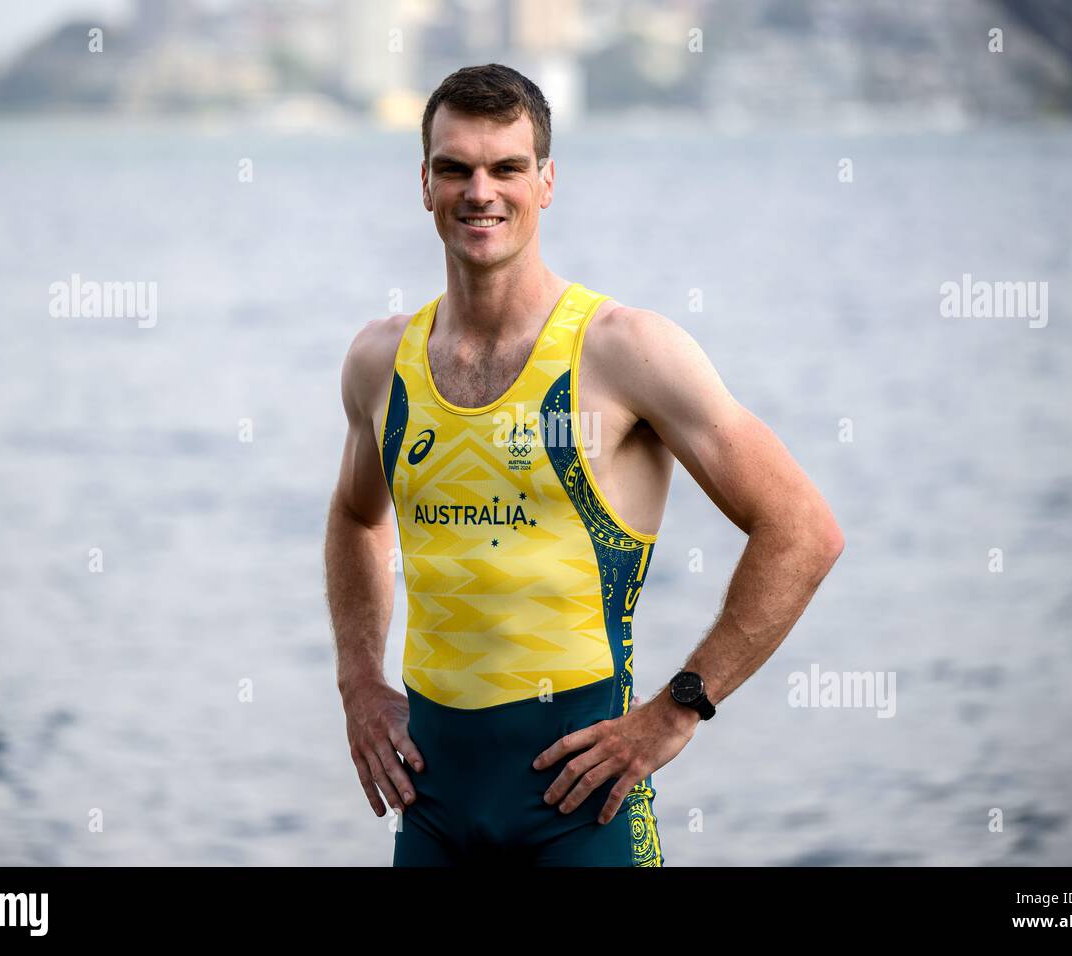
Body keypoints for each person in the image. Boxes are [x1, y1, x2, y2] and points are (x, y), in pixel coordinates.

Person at [325, 64, 843, 866]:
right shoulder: (380, 362)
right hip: (430, 817)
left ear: (548, 181)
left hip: (582, 818)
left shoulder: (625, 353)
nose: (480, 192)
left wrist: (678, 710)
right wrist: (359, 682)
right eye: (456, 168)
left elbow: (803, 529)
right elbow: (358, 517)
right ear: (423, 183)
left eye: (507, 168)